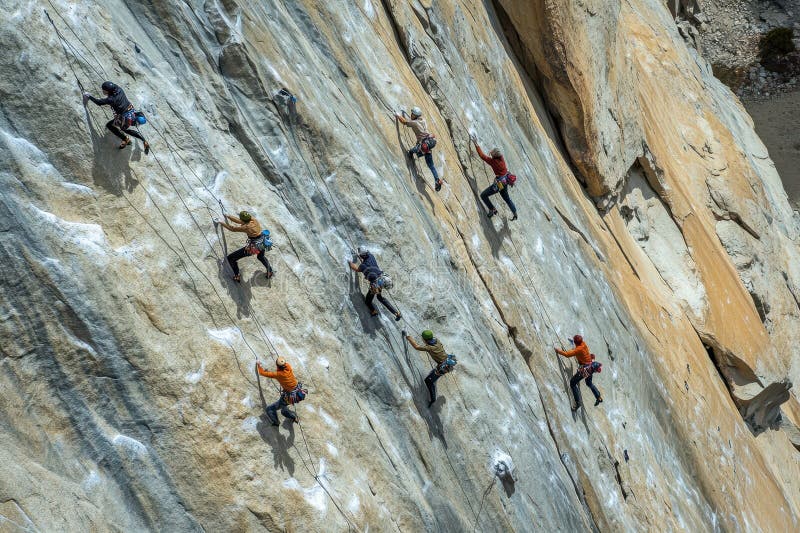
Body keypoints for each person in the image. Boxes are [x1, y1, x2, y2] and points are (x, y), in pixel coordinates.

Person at [83, 81, 150, 153]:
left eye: (104, 90)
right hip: (130, 110)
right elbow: (113, 87)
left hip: (125, 117)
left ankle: (126, 139)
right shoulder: (119, 89)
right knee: (121, 124)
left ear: (108, 91)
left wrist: (89, 96)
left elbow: (99, 102)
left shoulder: (111, 99)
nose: (102, 91)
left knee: (112, 126)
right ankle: (143, 141)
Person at [218, 211, 274, 282]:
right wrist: (228, 216)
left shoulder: (246, 227)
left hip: (254, 247)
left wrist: (221, 222)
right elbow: (240, 221)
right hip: (262, 242)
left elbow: (233, 229)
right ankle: (270, 271)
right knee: (260, 256)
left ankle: (237, 275)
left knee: (231, 258)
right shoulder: (253, 220)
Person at [396, 107, 443, 191]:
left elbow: (404, 122)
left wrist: (398, 115)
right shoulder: (422, 120)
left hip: (424, 144)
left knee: (412, 151)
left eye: (412, 114)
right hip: (430, 142)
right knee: (431, 165)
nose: (411, 115)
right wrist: (404, 113)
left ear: (415, 115)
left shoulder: (415, 123)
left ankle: (411, 155)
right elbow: (411, 120)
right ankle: (437, 180)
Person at [348, 246, 401, 321]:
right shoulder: (371, 256)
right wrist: (359, 256)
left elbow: (356, 268)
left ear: (361, 255)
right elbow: (365, 262)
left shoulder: (363, 266)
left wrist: (349, 261)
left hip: (376, 284)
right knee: (380, 298)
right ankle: (396, 313)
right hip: (382, 279)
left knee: (368, 301)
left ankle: (373, 311)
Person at [405, 329, 455, 407]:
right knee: (433, 374)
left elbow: (416, 347)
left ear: (424, 339)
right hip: (448, 361)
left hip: (444, 367)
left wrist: (408, 336)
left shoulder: (429, 348)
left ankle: (432, 399)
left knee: (428, 381)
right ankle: (434, 376)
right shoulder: (436, 340)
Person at [472, 136, 517, 220]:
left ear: (494, 156)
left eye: (492, 153)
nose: (491, 153)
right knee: (507, 199)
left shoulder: (494, 162)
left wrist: (476, 144)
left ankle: (492, 209)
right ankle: (515, 213)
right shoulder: (501, 159)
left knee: (483, 195)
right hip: (505, 181)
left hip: (499, 184)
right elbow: (495, 153)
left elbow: (482, 156)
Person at [555, 335, 603, 411]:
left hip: (585, 369)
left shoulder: (578, 349)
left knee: (573, 383)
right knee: (589, 383)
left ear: (576, 342)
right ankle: (598, 397)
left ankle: (577, 403)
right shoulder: (583, 344)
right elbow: (578, 347)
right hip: (591, 366)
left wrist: (558, 351)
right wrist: (573, 342)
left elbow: (567, 355)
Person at [257, 357, 301, 426]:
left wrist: (258, 365)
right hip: (297, 393)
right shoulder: (288, 367)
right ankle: (293, 417)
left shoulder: (279, 374)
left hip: (288, 397)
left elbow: (261, 373)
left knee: (270, 409)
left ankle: (276, 422)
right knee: (284, 408)